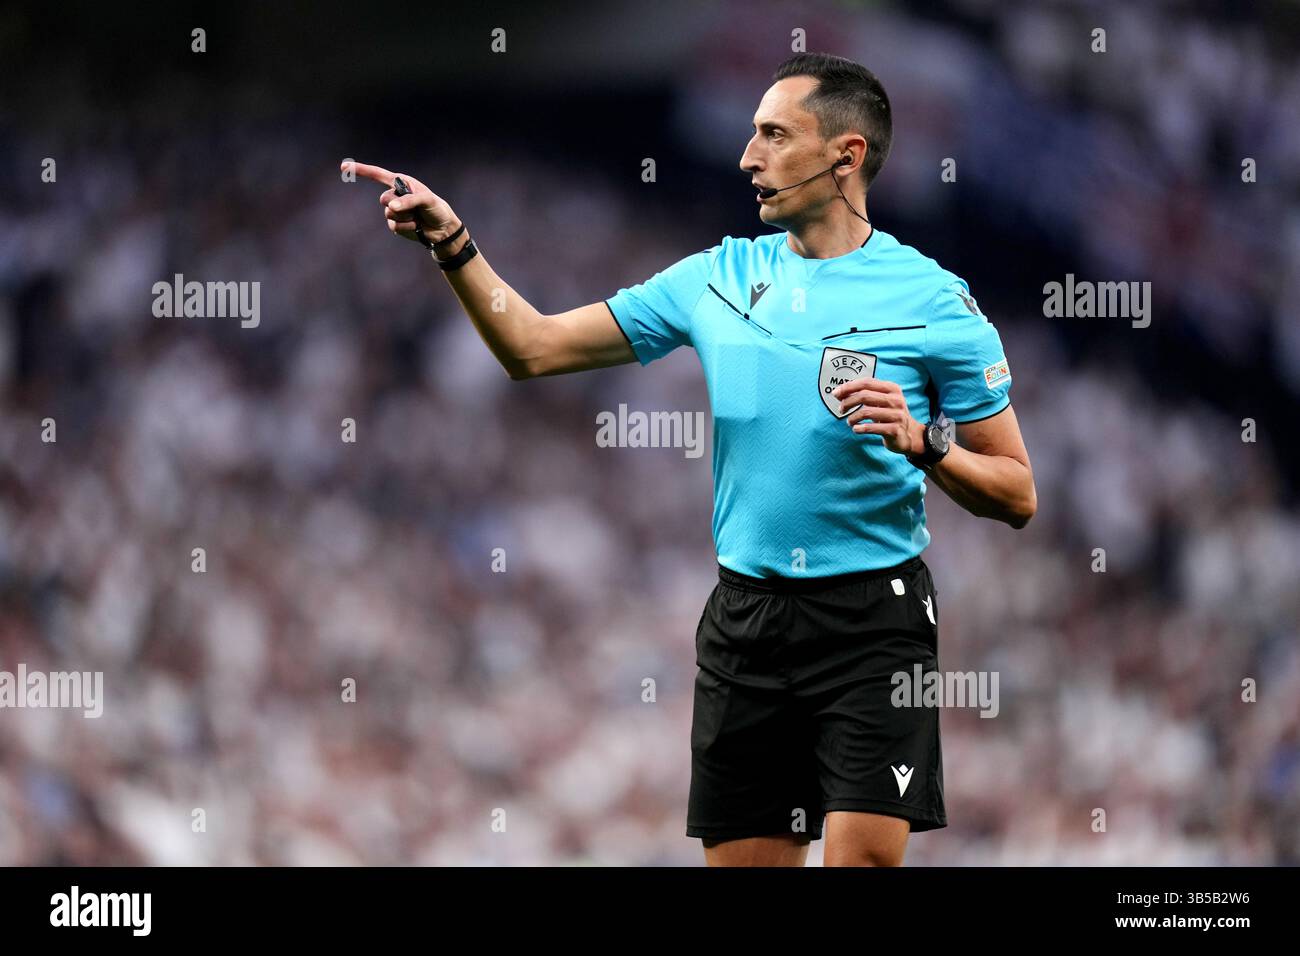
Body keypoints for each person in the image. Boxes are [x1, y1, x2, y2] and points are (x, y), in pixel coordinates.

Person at [344, 51, 1036, 867]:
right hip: (747, 620)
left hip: (871, 623)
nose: (749, 156)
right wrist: (454, 245)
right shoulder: (717, 277)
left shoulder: (934, 300)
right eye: (752, 135)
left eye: (775, 135)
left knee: (863, 859)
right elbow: (533, 346)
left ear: (846, 156)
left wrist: (928, 442)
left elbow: (1017, 493)